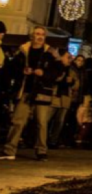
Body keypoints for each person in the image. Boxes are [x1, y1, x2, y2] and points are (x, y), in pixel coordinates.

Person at [2, 26, 62, 160]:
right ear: (32, 36)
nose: (40, 37)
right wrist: (22, 71)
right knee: (17, 121)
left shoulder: (50, 52)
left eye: (42, 34)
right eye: (37, 34)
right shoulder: (23, 50)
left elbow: (58, 71)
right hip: (25, 90)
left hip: (42, 92)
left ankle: (41, 150)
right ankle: (9, 150)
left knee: (41, 123)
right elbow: (11, 68)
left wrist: (44, 73)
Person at [47, 51, 79, 149]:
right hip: (54, 96)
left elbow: (77, 84)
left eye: (70, 58)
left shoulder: (72, 71)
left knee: (60, 121)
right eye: (67, 57)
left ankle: (53, 140)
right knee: (46, 119)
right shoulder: (55, 67)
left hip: (65, 98)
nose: (69, 60)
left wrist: (72, 82)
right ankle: (41, 138)